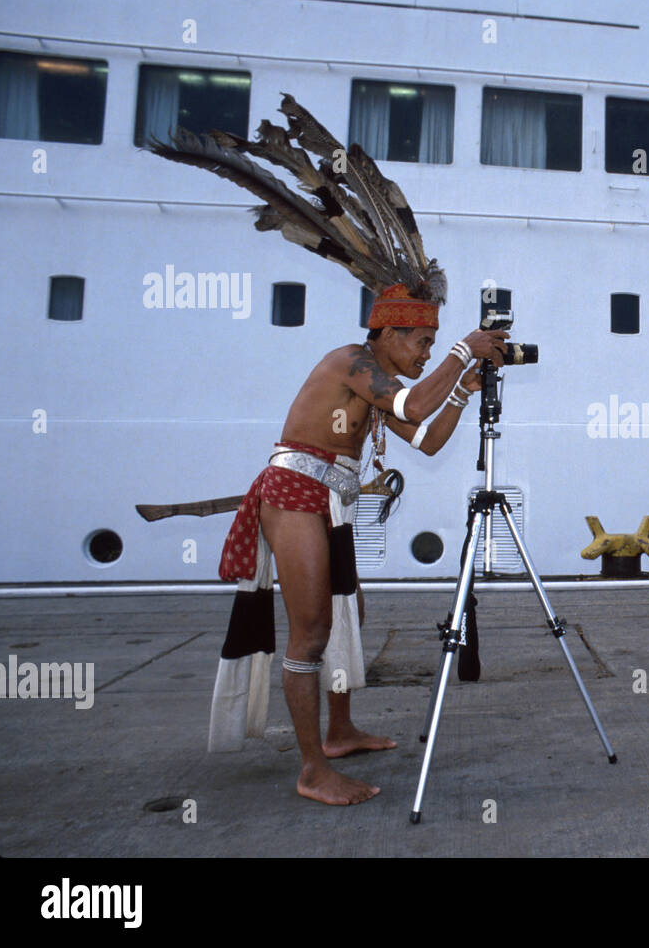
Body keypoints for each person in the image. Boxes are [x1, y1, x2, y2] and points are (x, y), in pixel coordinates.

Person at [216, 285, 507, 805]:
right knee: (310, 634)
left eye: (433, 342)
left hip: (330, 503)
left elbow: (428, 437)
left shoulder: (376, 383)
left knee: (348, 616)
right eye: (422, 341)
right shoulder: (352, 362)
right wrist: (464, 349)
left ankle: (340, 732)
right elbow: (416, 405)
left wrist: (463, 388)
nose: (426, 353)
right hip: (297, 497)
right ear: (388, 334)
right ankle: (311, 770)